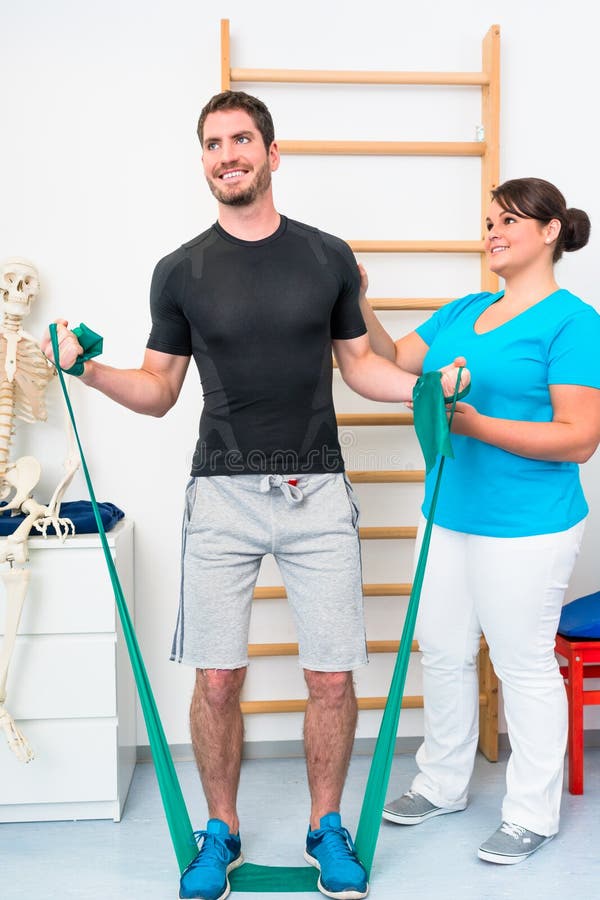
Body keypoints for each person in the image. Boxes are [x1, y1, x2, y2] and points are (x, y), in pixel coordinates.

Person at [41, 90, 468, 900]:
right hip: (222, 496)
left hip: (318, 494)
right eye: (212, 143)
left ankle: (325, 826)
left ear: (273, 153)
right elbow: (159, 388)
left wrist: (427, 384)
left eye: (241, 139)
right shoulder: (181, 270)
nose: (226, 154)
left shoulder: (327, 256)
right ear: (203, 159)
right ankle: (222, 832)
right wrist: (84, 369)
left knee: (333, 678)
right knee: (215, 681)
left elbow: (361, 367)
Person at [358, 177, 600, 865]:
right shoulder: (464, 310)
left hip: (529, 522)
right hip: (447, 513)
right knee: (443, 650)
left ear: (551, 231)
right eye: (488, 221)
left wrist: (477, 424)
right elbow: (389, 360)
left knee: (523, 663)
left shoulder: (572, 321)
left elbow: (580, 438)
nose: (492, 231)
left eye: (510, 221)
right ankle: (442, 784)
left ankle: (531, 813)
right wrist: (359, 300)